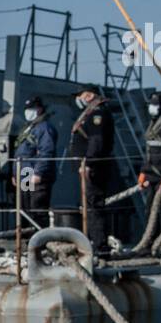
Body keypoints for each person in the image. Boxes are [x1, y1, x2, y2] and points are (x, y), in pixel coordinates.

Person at [68, 87, 115, 253]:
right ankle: (94, 241)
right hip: (23, 173)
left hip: (31, 173)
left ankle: (99, 245)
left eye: (79, 95)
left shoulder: (97, 113)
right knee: (26, 202)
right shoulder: (88, 113)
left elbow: (97, 141)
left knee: (94, 204)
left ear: (88, 95)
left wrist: (89, 163)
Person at [10, 95, 58, 231]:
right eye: (27, 109)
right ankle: (28, 242)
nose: (28, 111)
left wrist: (38, 173)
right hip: (26, 173)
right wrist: (15, 174)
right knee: (25, 210)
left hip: (35, 174)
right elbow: (20, 152)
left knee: (37, 209)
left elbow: (46, 152)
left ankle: (40, 243)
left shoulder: (44, 128)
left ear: (40, 109)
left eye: (32, 108)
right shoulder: (29, 128)